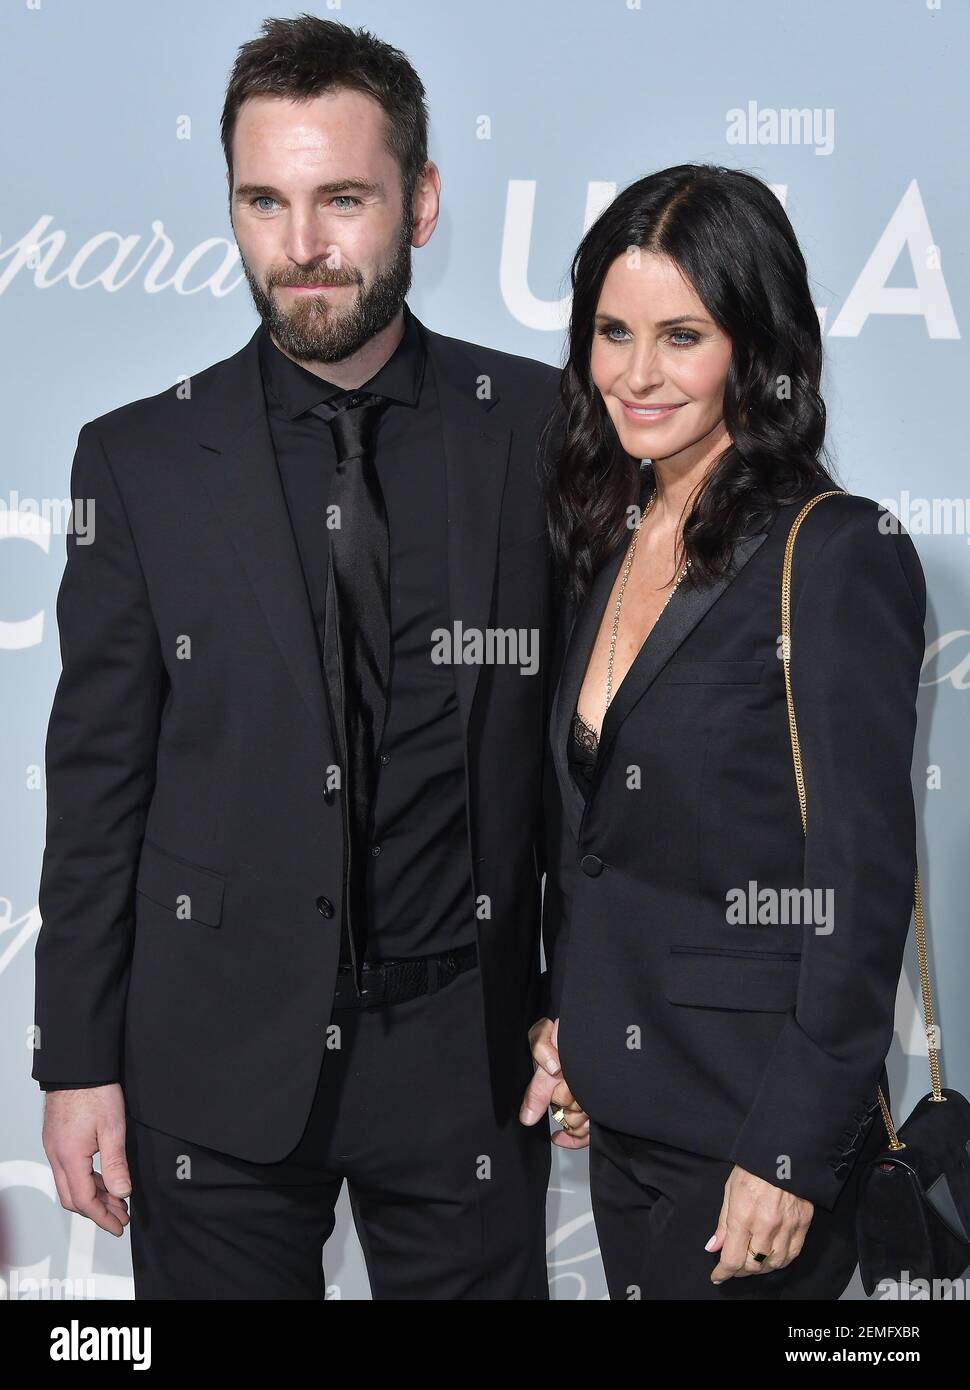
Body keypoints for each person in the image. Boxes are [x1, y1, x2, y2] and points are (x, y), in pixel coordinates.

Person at [32, 15, 563, 1300]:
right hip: (209, 1059)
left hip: (466, 1060)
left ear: (421, 201)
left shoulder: (541, 429)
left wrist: (586, 1010)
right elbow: (99, 782)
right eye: (263, 201)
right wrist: (74, 1060)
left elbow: (588, 762)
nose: (302, 247)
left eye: (342, 199)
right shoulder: (138, 461)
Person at [522, 164, 926, 1300]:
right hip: (624, 1123)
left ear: (755, 349)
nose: (635, 374)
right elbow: (597, 842)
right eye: (611, 331)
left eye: (681, 335)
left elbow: (860, 882)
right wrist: (573, 1021)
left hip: (753, 1137)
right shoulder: (606, 540)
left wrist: (789, 1150)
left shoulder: (835, 552)